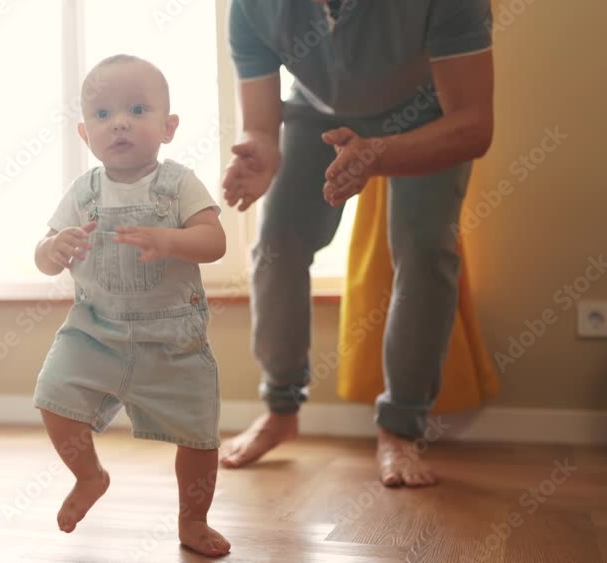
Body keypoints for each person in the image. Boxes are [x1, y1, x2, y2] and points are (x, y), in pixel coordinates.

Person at [218, 0, 495, 488]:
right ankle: (280, 410)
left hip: (430, 112)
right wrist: (259, 151)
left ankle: (400, 429)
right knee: (277, 244)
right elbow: (260, 125)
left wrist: (378, 154)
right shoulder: (252, 8)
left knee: (426, 250)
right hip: (315, 113)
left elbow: (473, 123)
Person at [31, 54, 231, 556]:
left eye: (137, 109)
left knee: (200, 438)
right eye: (102, 115)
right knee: (53, 396)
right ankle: (89, 476)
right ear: (85, 133)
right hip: (94, 333)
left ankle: (192, 521)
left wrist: (170, 240)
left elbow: (214, 241)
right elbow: (45, 255)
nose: (118, 122)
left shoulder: (179, 183)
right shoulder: (84, 193)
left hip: (173, 342)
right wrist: (51, 250)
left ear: (168, 127)